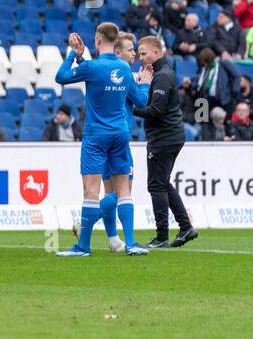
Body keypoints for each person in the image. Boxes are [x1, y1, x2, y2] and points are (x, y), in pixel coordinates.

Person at [54, 23, 149, 256]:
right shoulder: (125, 69)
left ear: (97, 40)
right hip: (120, 134)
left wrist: (74, 55)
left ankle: (83, 247)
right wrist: (145, 83)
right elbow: (142, 101)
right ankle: (131, 244)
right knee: (123, 189)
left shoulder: (92, 67)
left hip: (96, 136)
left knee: (91, 191)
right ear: (115, 42)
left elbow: (61, 77)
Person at [133, 36, 198, 248]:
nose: (140, 58)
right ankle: (186, 227)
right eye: (139, 54)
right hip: (170, 136)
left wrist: (131, 108)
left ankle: (162, 237)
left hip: (164, 137)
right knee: (162, 183)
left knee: (156, 185)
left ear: (157, 53)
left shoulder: (161, 76)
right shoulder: (163, 73)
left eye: (144, 53)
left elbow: (156, 111)